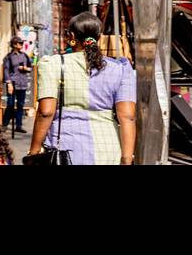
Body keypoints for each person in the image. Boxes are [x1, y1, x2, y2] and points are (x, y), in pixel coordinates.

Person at [27, 11, 136, 165]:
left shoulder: (53, 64)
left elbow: (46, 112)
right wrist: (126, 158)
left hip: (67, 151)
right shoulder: (120, 68)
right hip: (109, 151)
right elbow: (128, 117)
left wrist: (34, 151)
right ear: (99, 37)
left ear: (71, 36)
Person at [0, 36, 33, 136]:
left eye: (22, 43)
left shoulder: (25, 56)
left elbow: (31, 68)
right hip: (13, 83)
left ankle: (18, 126)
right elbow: (6, 71)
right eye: (20, 43)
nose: (22, 45)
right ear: (14, 44)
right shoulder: (9, 57)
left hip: (22, 83)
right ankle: (4, 124)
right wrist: (9, 84)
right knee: (10, 105)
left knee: (20, 105)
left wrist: (25, 69)